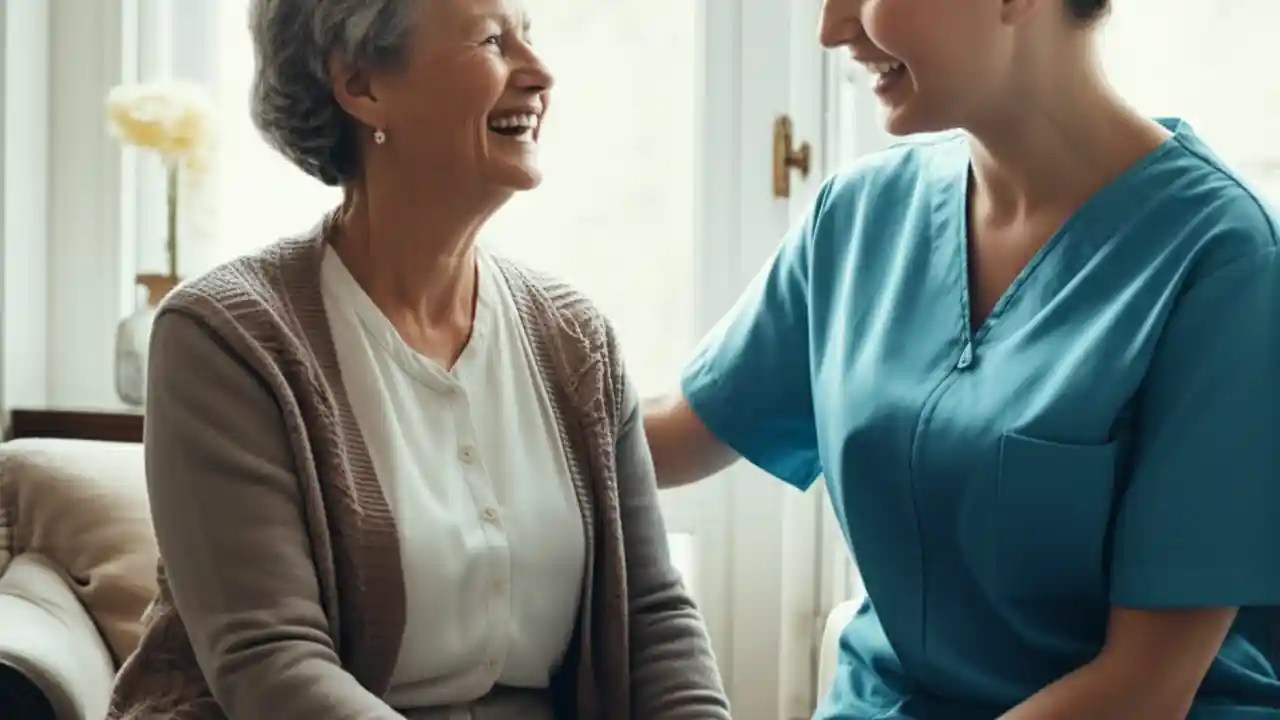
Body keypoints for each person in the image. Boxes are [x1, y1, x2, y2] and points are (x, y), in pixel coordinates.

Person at [645, 0, 1280, 717]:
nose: (831, 28)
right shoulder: (858, 216)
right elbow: (670, 436)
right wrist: (493, 334)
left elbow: (1144, 688)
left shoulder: (1227, 261)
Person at [107, 0, 729, 718]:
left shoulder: (576, 338)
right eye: (494, 41)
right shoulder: (225, 338)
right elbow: (271, 662)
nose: (540, 72)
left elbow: (652, 616)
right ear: (362, 85)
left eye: (530, 37)